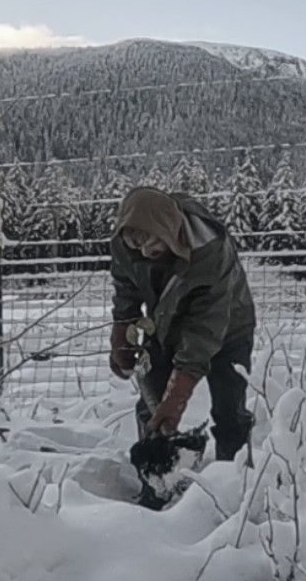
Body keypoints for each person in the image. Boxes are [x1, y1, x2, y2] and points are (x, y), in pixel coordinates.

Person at [107, 186, 257, 462]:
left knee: (229, 409)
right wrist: (122, 334)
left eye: (153, 244)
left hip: (228, 328)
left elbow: (204, 329)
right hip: (163, 325)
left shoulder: (211, 252)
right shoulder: (125, 241)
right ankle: (158, 476)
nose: (145, 251)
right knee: (151, 404)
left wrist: (177, 397)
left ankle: (235, 480)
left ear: (169, 233)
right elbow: (126, 284)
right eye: (136, 244)